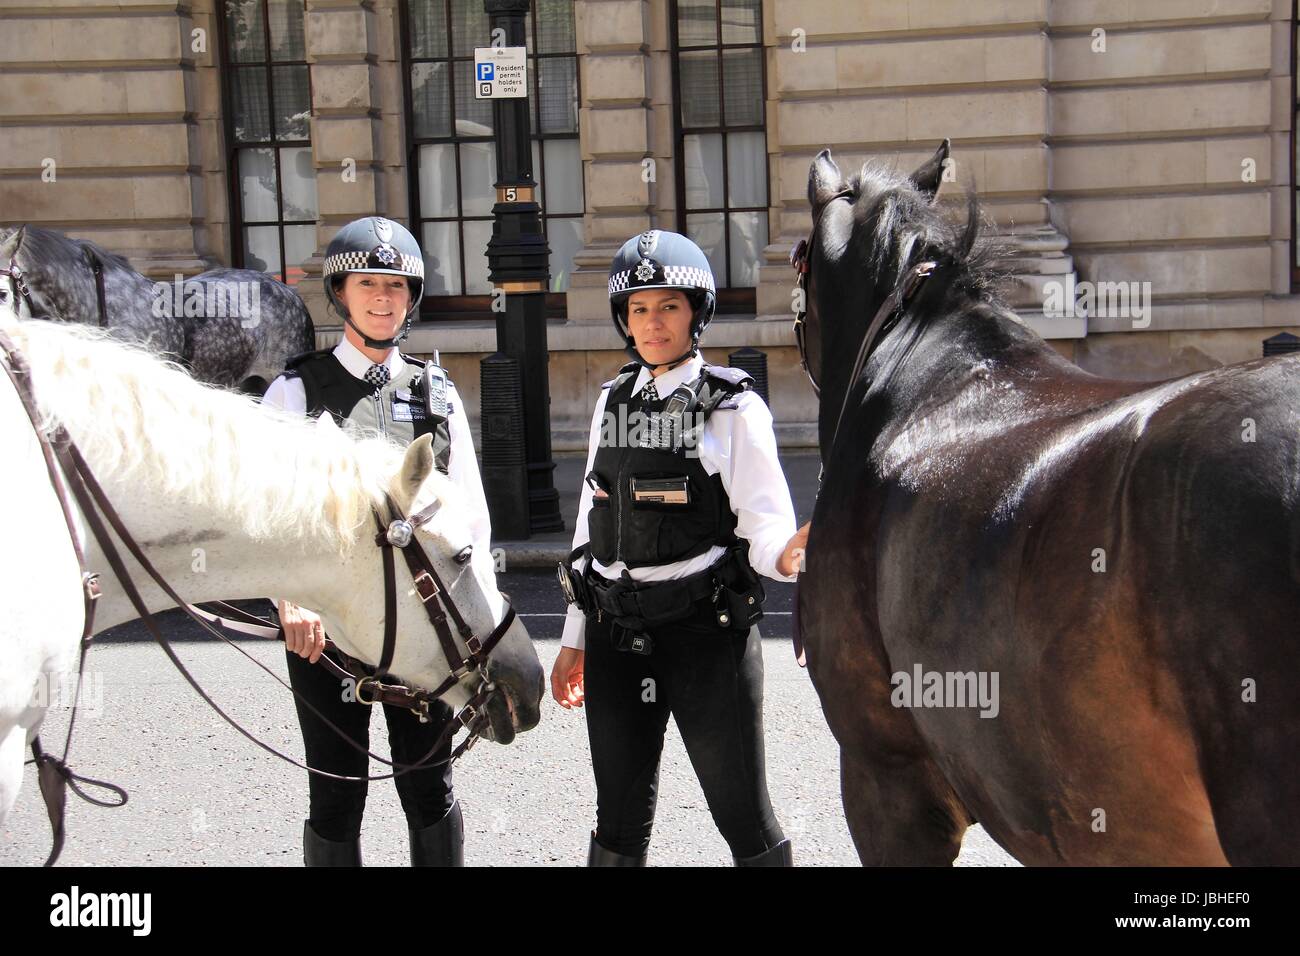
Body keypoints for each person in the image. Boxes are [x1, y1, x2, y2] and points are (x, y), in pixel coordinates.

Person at [551, 228, 810, 866]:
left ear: (696, 313)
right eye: (638, 308)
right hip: (616, 637)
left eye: (668, 305)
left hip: (705, 637)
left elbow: (765, 529)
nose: (652, 322)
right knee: (616, 822)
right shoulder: (611, 401)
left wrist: (791, 554)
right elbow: (592, 530)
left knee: (744, 820)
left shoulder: (733, 410)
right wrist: (573, 639)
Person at [261, 216, 491, 867]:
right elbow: (268, 520)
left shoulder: (437, 393)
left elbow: (469, 521)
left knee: (430, 790)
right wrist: (290, 601)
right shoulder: (295, 391)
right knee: (336, 796)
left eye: (396, 285)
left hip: (422, 632)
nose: (384, 298)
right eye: (369, 283)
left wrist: (476, 626)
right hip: (329, 632)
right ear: (342, 293)